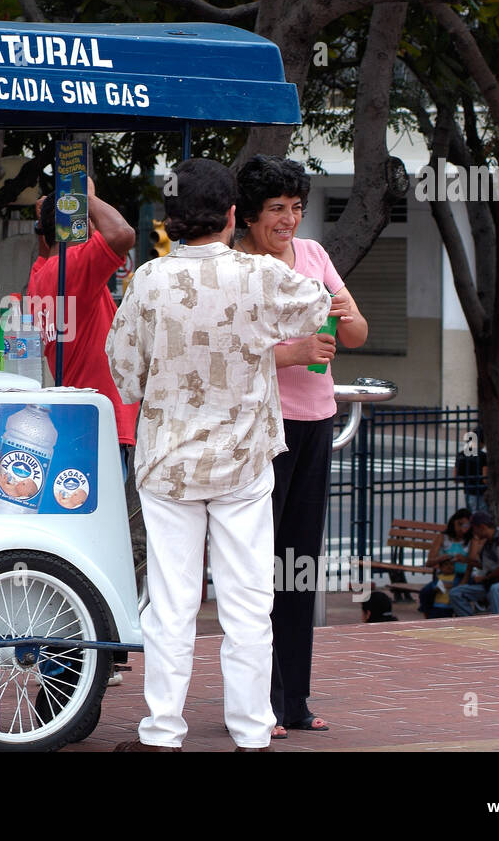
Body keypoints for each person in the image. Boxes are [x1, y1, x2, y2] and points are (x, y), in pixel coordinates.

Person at [106, 157, 331, 752]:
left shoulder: (147, 281)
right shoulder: (257, 275)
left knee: (171, 604)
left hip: (168, 462)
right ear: (233, 215)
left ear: (170, 220)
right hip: (244, 462)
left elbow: (125, 375)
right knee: (248, 603)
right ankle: (252, 730)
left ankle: (162, 730)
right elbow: (316, 303)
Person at [231, 154, 367, 739]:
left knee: (298, 566)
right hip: (264, 429)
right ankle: (259, 700)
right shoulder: (236, 265)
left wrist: (348, 312)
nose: (288, 220)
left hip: (315, 421)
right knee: (257, 567)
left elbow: (357, 334)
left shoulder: (313, 256)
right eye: (276, 210)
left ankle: (295, 701)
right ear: (249, 216)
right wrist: (294, 349)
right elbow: (227, 352)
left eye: (295, 208)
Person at [27, 177, 138, 470]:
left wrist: (49, 216)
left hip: (84, 424)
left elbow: (47, 244)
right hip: (99, 427)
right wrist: (83, 197)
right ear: (80, 225)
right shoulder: (69, 268)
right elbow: (122, 234)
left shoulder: (41, 274)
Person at [448, 511, 499, 616]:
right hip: (490, 583)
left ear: (482, 527)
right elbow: (484, 565)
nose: (473, 533)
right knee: (456, 593)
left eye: (474, 529)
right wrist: (466, 560)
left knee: (496, 590)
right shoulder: (488, 543)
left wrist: (484, 578)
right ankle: (470, 623)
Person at [418, 509, 473, 617]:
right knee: (426, 591)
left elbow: (472, 564)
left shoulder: (471, 540)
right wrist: (442, 558)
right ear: (453, 522)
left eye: (466, 525)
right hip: (443, 575)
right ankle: (428, 615)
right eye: (459, 524)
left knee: (455, 592)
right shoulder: (443, 537)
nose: (462, 529)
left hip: (461, 576)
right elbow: (429, 562)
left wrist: (463, 581)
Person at [454, 430, 489, 513]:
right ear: (481, 442)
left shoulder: (461, 455)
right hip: (480, 493)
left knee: (471, 517)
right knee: (481, 519)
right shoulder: (483, 456)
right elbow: (485, 479)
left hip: (467, 491)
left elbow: (456, 477)